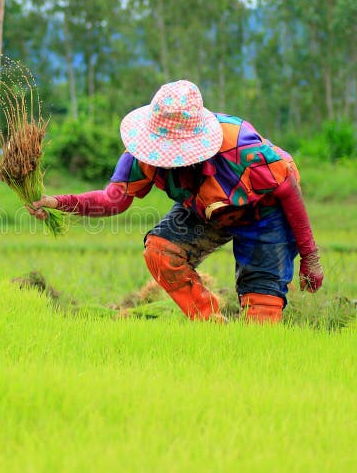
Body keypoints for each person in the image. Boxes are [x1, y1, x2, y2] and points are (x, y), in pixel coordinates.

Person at [28, 80, 323, 323]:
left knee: (262, 318)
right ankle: (211, 327)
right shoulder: (142, 155)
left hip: (264, 211)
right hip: (203, 208)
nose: (166, 161)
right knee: (160, 252)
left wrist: (310, 257)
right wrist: (56, 201)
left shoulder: (240, 149)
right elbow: (112, 200)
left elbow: (288, 191)